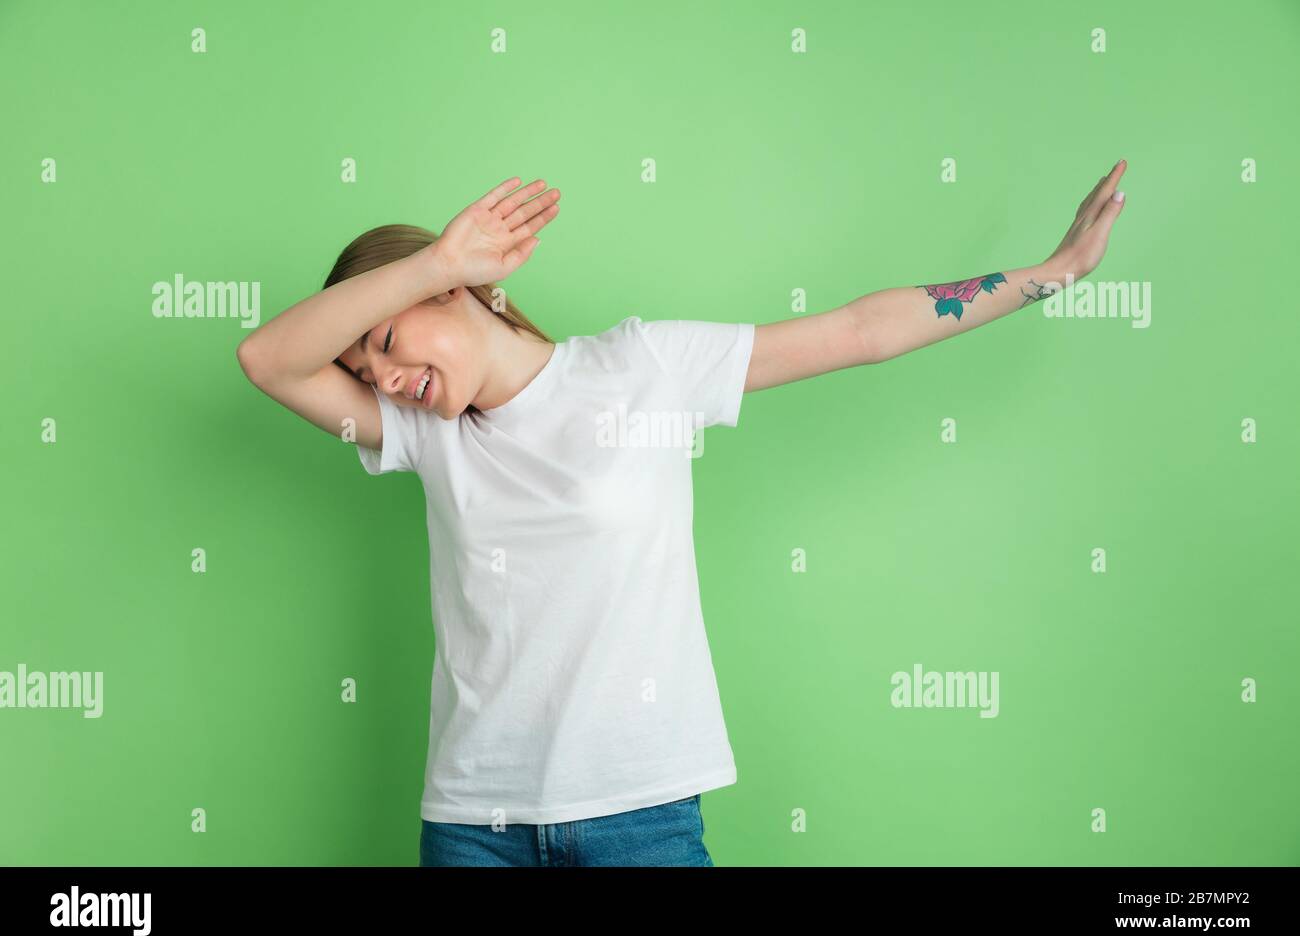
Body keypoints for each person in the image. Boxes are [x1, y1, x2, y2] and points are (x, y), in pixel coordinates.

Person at [235, 165, 1128, 866]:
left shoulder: (643, 370)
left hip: (640, 818)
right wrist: (430, 263)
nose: (384, 382)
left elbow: (863, 332)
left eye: (386, 343)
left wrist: (1053, 274)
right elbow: (267, 359)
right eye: (364, 374)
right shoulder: (427, 437)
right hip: (476, 825)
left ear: (458, 296)